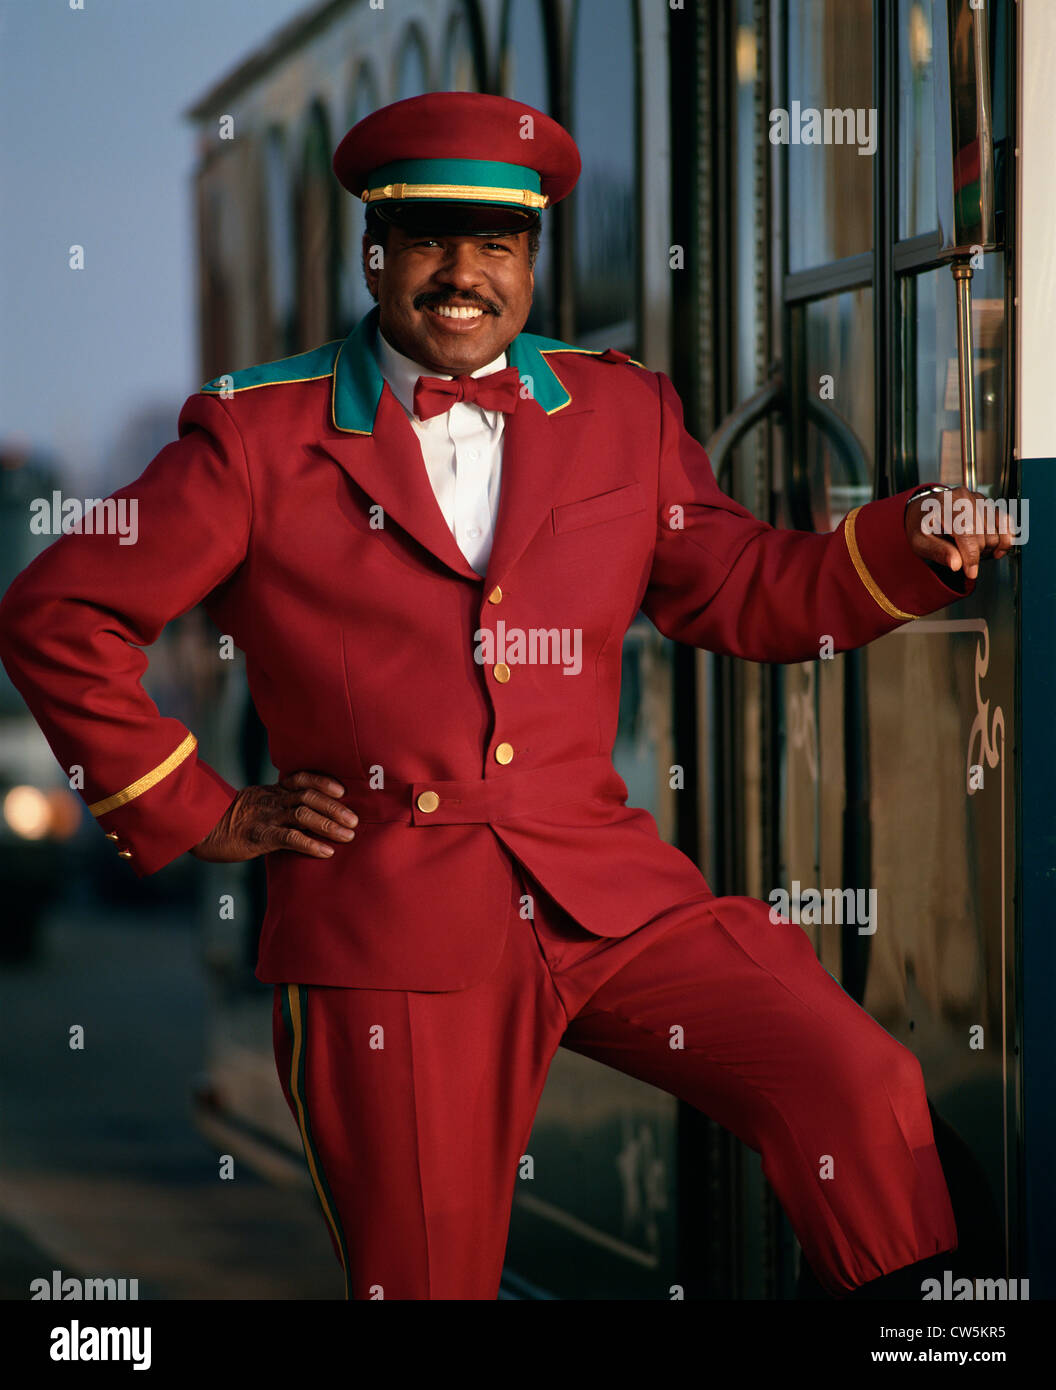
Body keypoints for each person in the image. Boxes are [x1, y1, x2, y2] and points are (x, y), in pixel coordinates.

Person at [0, 92, 1012, 1300]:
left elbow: (742, 586)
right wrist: (202, 808)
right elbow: (57, 611)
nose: (464, 273)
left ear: (532, 256)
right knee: (428, 1277)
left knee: (855, 1083)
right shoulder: (255, 435)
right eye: (430, 240)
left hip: (604, 893)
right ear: (377, 252)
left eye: (498, 243)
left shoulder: (619, 410)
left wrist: (909, 540)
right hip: (391, 926)